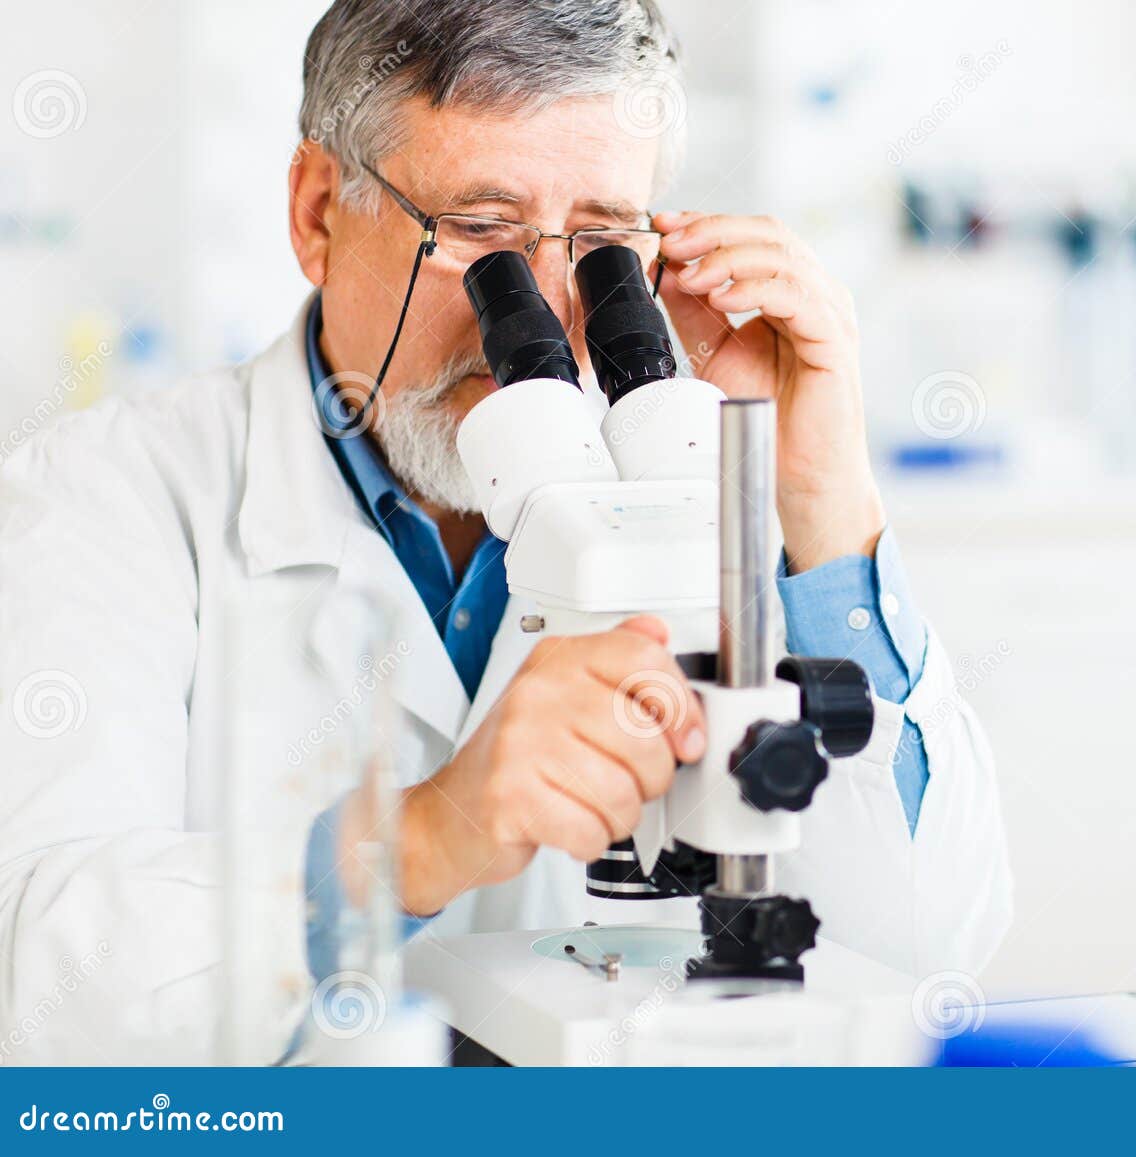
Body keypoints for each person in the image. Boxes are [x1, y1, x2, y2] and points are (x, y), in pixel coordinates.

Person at [0, 0, 1011, 1063]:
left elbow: (926, 955)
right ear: (317, 213)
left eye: (601, 245)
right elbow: (42, 988)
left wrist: (822, 509)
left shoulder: (698, 489)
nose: (537, 306)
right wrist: (418, 840)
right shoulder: (104, 498)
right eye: (482, 233)